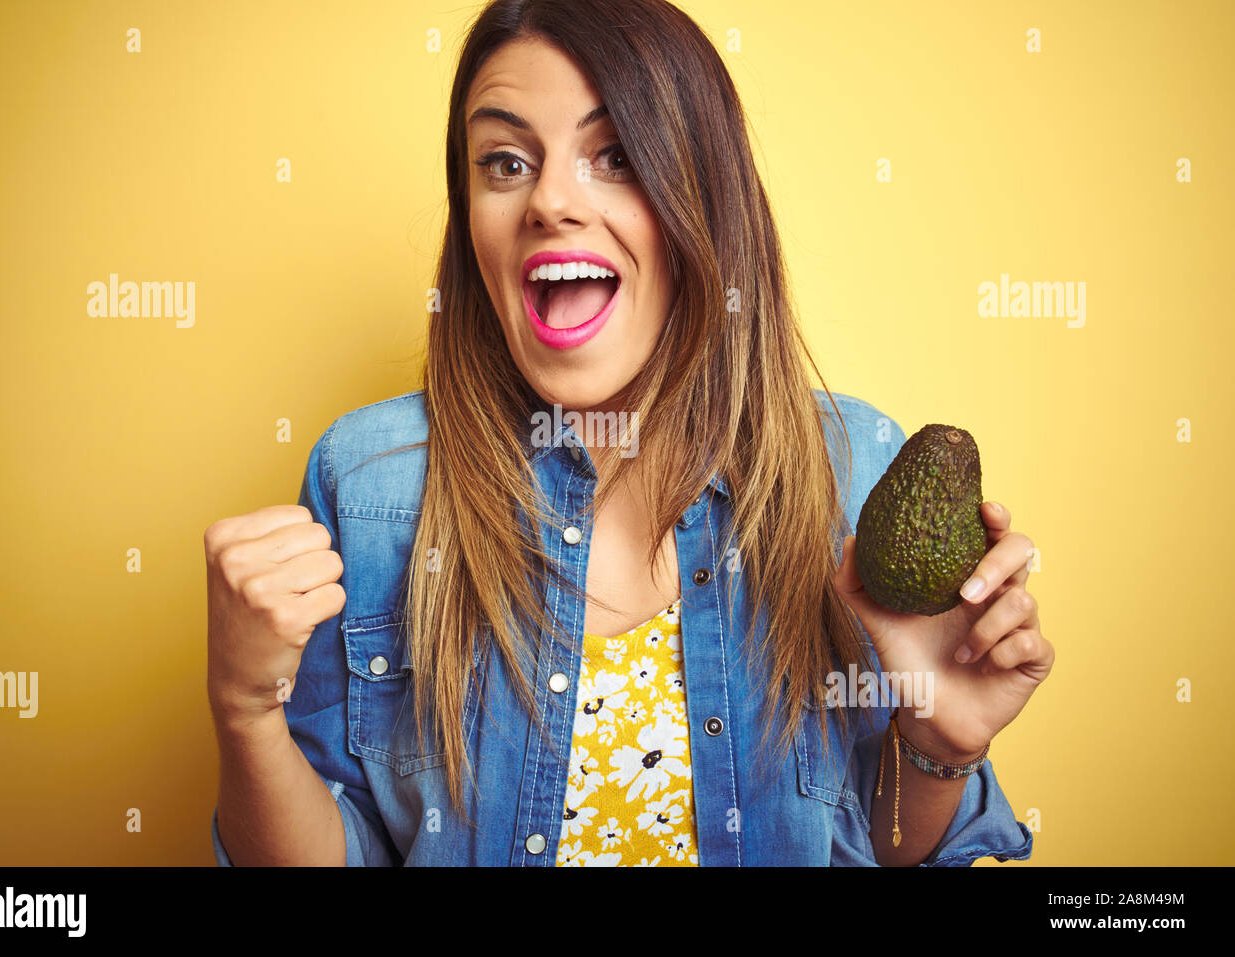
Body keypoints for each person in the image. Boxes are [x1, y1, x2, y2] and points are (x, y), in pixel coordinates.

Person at [204, 0, 1052, 866]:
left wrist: (938, 745)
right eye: (505, 161)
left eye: (613, 155)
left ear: (705, 199)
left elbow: (876, 848)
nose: (550, 200)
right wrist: (243, 705)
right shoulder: (369, 484)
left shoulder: (854, 469)